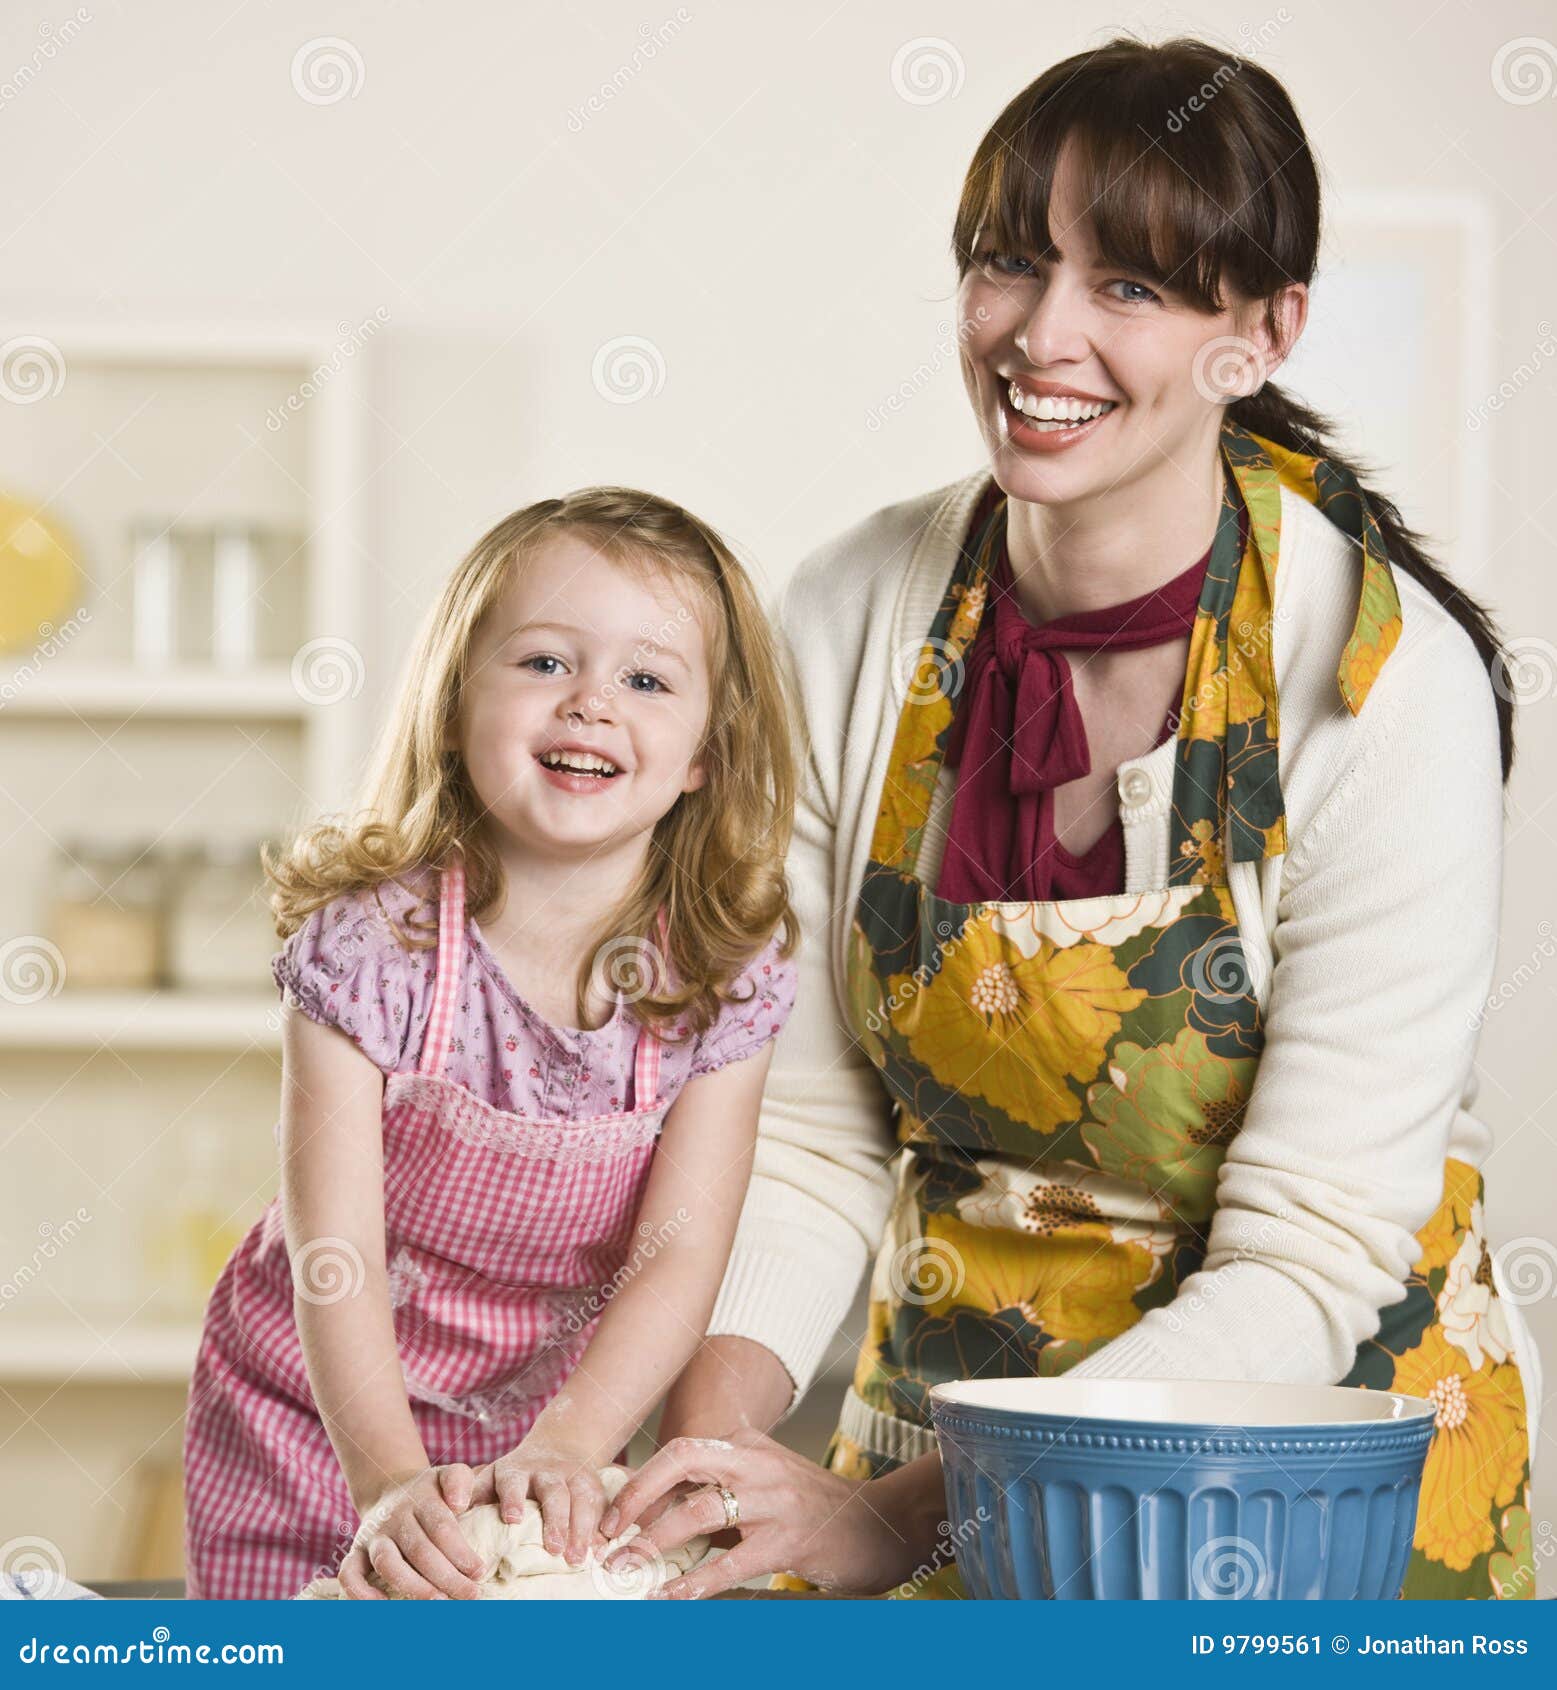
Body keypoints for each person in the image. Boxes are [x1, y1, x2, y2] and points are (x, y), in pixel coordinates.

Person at [603, 37, 1541, 1602]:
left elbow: (1304, 1249)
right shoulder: (850, 617)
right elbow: (816, 1134)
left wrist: (903, 1518)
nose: (1042, 336)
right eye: (1009, 265)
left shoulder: (1382, 684)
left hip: (1304, 1480)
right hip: (933, 1431)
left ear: (1261, 334)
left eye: (1133, 289)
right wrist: (719, 1463)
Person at [181, 488, 799, 1599]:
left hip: (543, 1435)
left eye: (647, 681)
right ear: (457, 698)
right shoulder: (370, 946)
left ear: (709, 750)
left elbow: (679, 1262)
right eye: (545, 663)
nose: (593, 706)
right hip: (312, 1420)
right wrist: (384, 1481)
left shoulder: (718, 978)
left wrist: (571, 1444)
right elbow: (338, 1255)